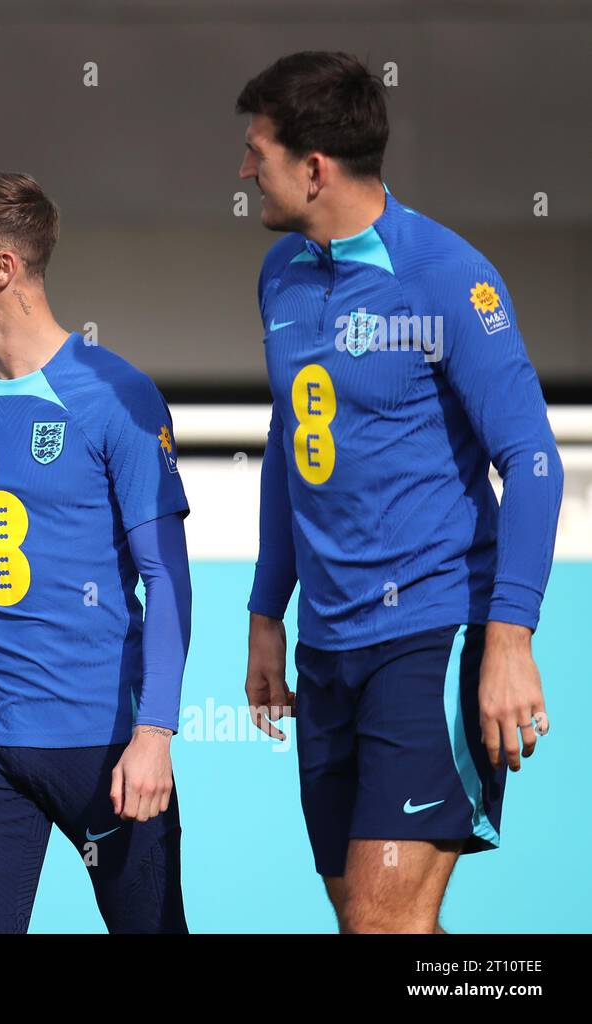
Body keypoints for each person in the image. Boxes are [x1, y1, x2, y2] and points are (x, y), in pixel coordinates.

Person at [237, 52, 563, 932]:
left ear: (314, 169)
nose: (243, 169)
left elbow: (533, 458)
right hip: (326, 650)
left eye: (256, 151)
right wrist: (269, 613)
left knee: (382, 922)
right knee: (372, 923)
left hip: (430, 636)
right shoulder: (282, 276)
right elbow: (290, 443)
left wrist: (509, 640)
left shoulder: (448, 277)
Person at [0, 168, 192, 933]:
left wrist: (155, 732)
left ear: (2, 270)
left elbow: (166, 577)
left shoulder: (117, 396)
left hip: (105, 748)